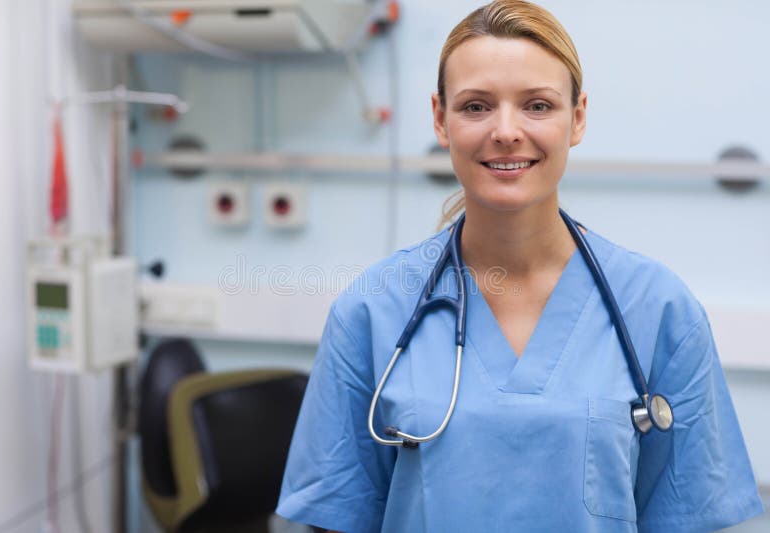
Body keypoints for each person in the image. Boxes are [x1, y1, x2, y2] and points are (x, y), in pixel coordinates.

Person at [275, 1, 765, 531]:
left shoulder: (658, 308)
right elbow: (335, 519)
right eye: (476, 107)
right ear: (440, 119)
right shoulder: (372, 310)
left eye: (537, 105)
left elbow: (686, 515)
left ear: (577, 119)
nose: (506, 131)